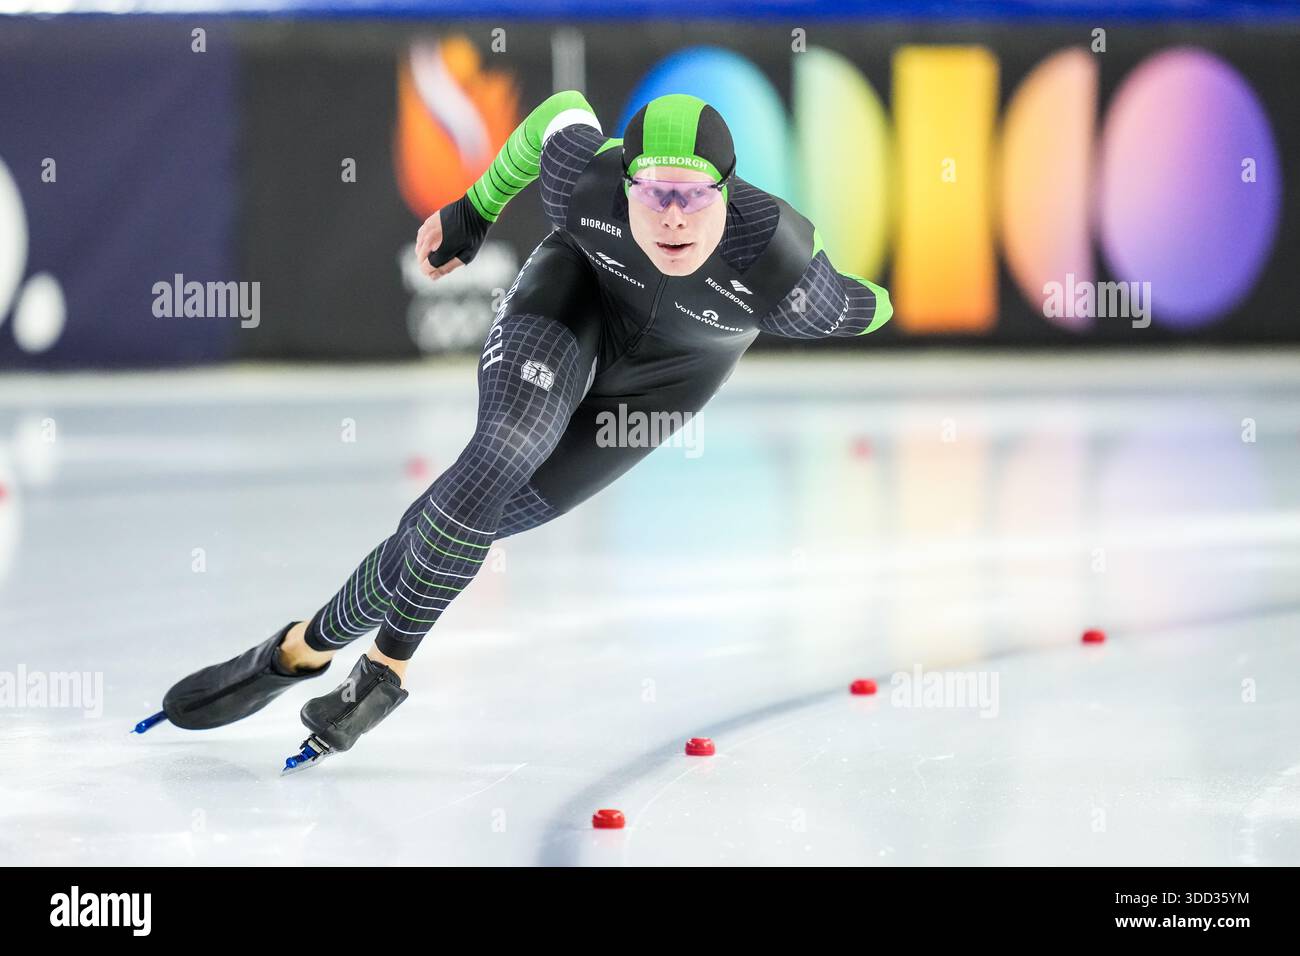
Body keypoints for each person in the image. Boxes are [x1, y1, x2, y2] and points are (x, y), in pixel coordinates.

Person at [138, 90, 892, 770]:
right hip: (575, 299)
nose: (671, 216)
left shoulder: (786, 275)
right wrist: (476, 209)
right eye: (655, 191)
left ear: (728, 194)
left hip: (666, 380)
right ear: (623, 183)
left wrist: (886, 302)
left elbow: (866, 307)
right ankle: (385, 673)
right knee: (500, 454)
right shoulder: (585, 180)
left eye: (694, 197)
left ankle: (300, 649)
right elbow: (556, 113)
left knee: (472, 514)